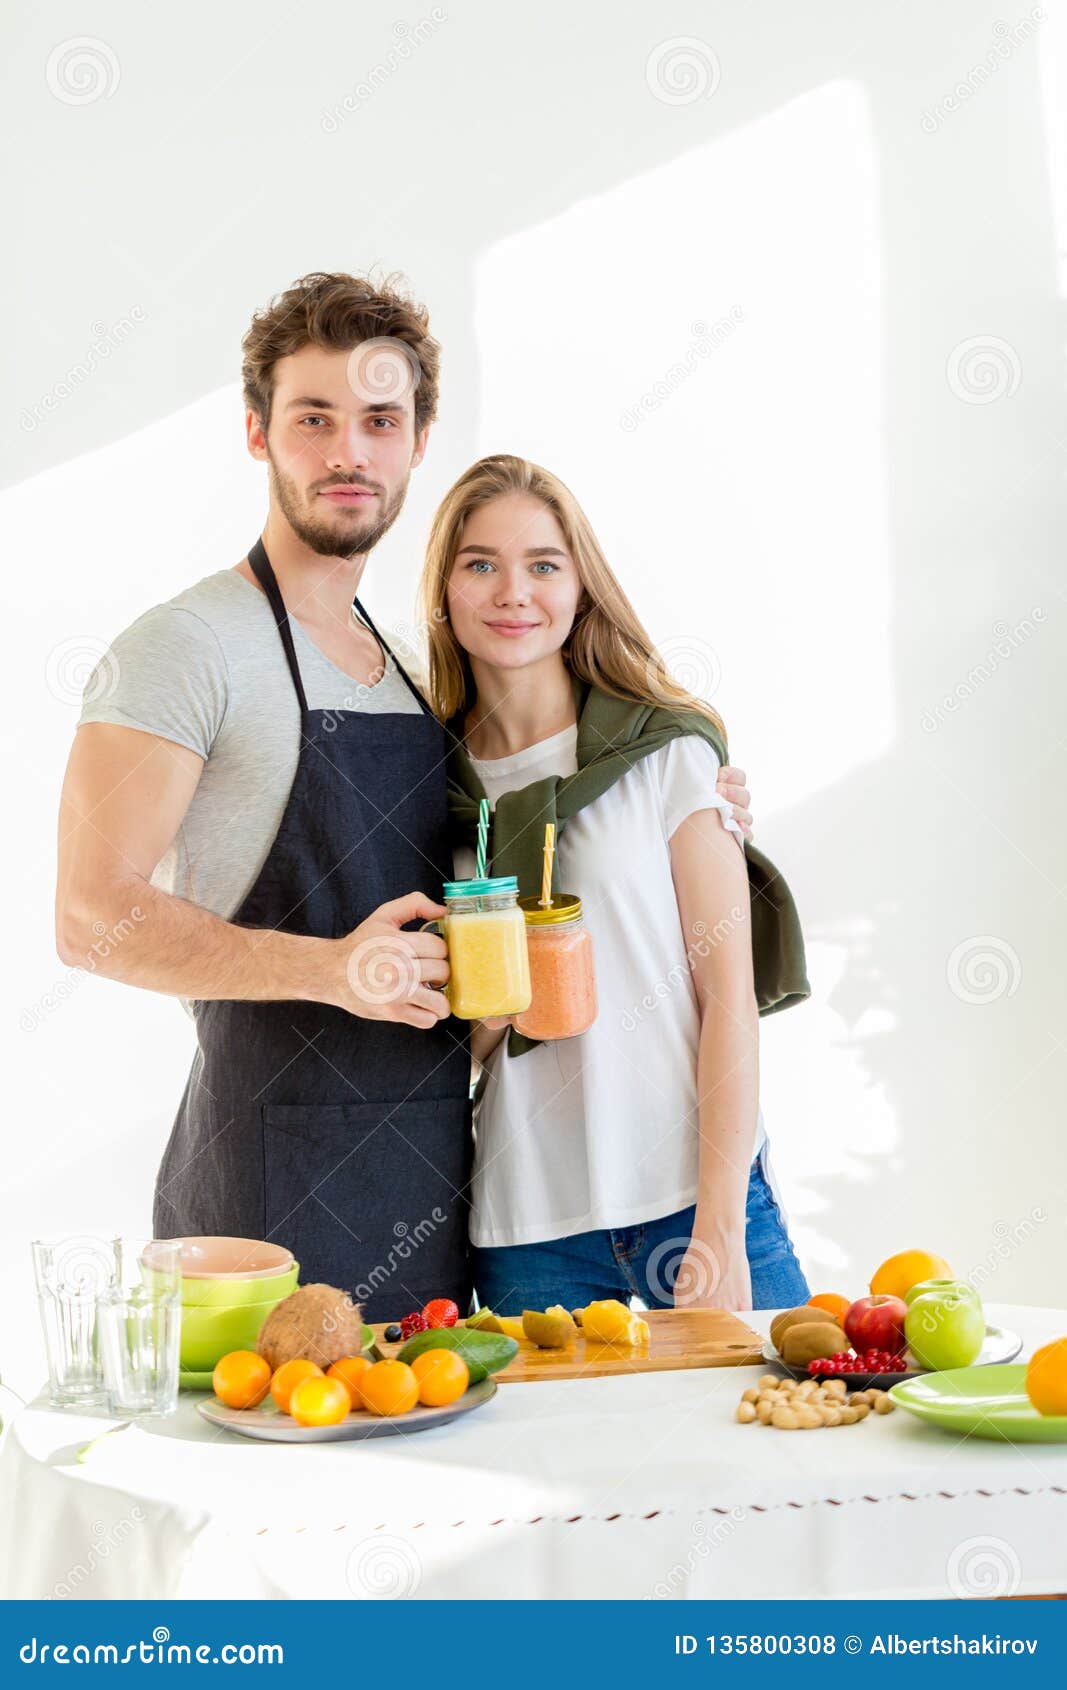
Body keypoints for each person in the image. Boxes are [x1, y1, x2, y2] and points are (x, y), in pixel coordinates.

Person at [52, 269, 755, 1321]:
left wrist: (690, 784)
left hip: (439, 1201)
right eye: (312, 418)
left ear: (416, 442)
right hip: (262, 1201)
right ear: (256, 433)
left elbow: (534, 815)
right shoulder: (186, 647)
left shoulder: (407, 676)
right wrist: (333, 969)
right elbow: (89, 920)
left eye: (379, 420)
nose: (347, 452)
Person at [418, 454, 811, 1314]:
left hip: (694, 1195)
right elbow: (460, 1045)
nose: (512, 592)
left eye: (543, 565)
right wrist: (498, 986)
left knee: (771, 1438)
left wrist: (718, 1231)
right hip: (529, 1228)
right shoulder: (424, 790)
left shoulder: (667, 754)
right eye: (480, 563)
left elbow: (727, 1001)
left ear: (581, 587)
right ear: (444, 590)